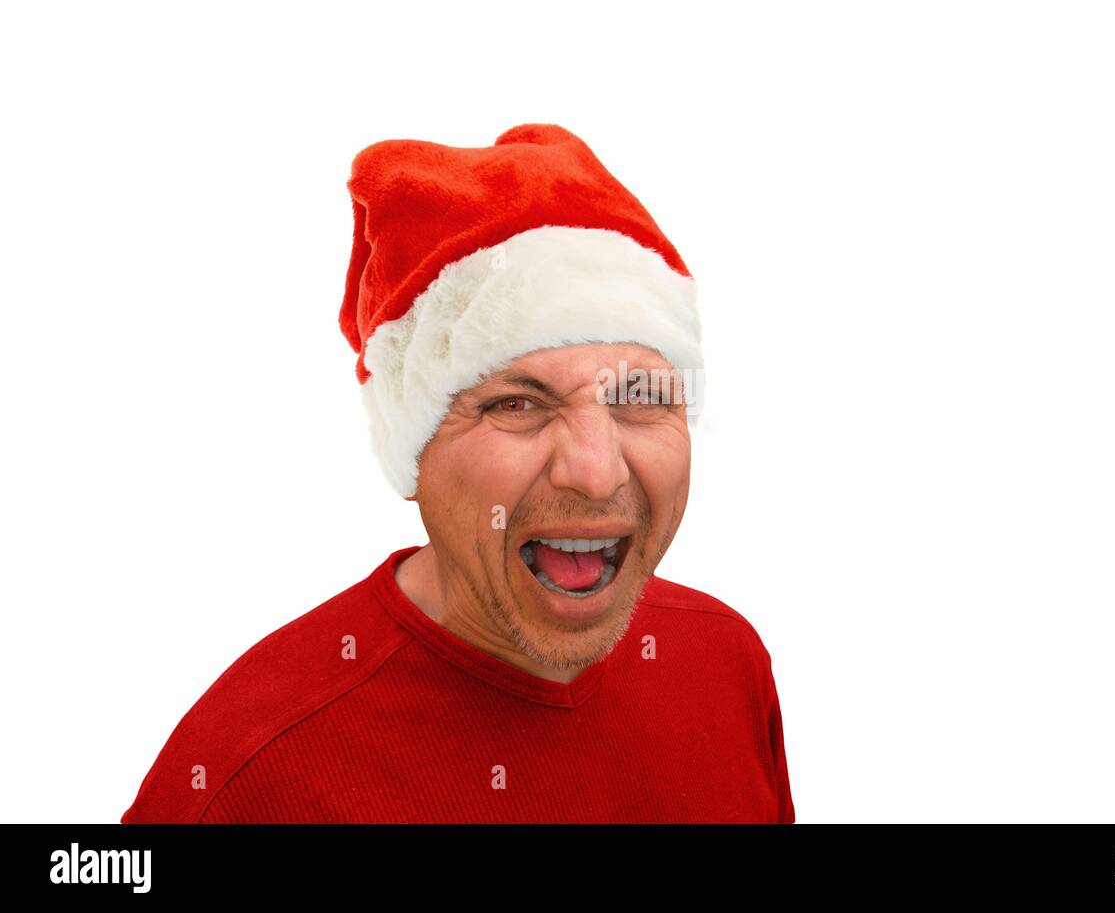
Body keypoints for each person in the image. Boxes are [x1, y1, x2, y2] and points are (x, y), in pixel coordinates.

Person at [120, 124, 794, 823]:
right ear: (413, 454)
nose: (595, 474)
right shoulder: (245, 777)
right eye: (517, 403)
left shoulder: (727, 662)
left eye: (643, 397)